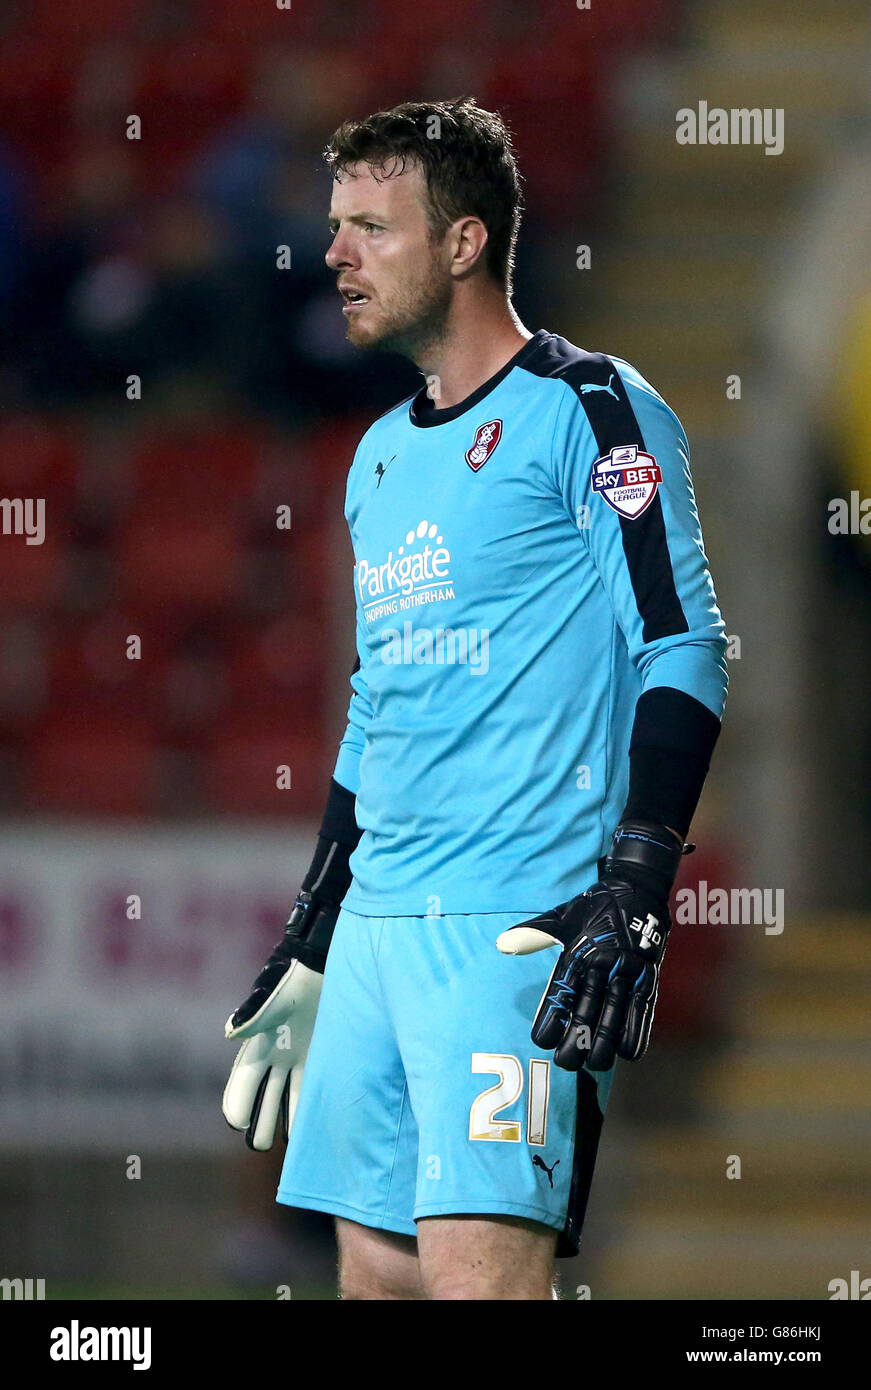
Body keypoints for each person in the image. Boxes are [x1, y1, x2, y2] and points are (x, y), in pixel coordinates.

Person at [223, 97, 728, 1301]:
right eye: (332, 226)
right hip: (377, 941)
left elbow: (684, 646)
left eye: (368, 228)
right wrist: (313, 930)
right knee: (374, 1279)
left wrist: (638, 883)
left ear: (461, 242)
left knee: (480, 1281)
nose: (332, 255)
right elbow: (373, 708)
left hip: (513, 933)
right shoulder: (375, 457)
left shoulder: (591, 407)